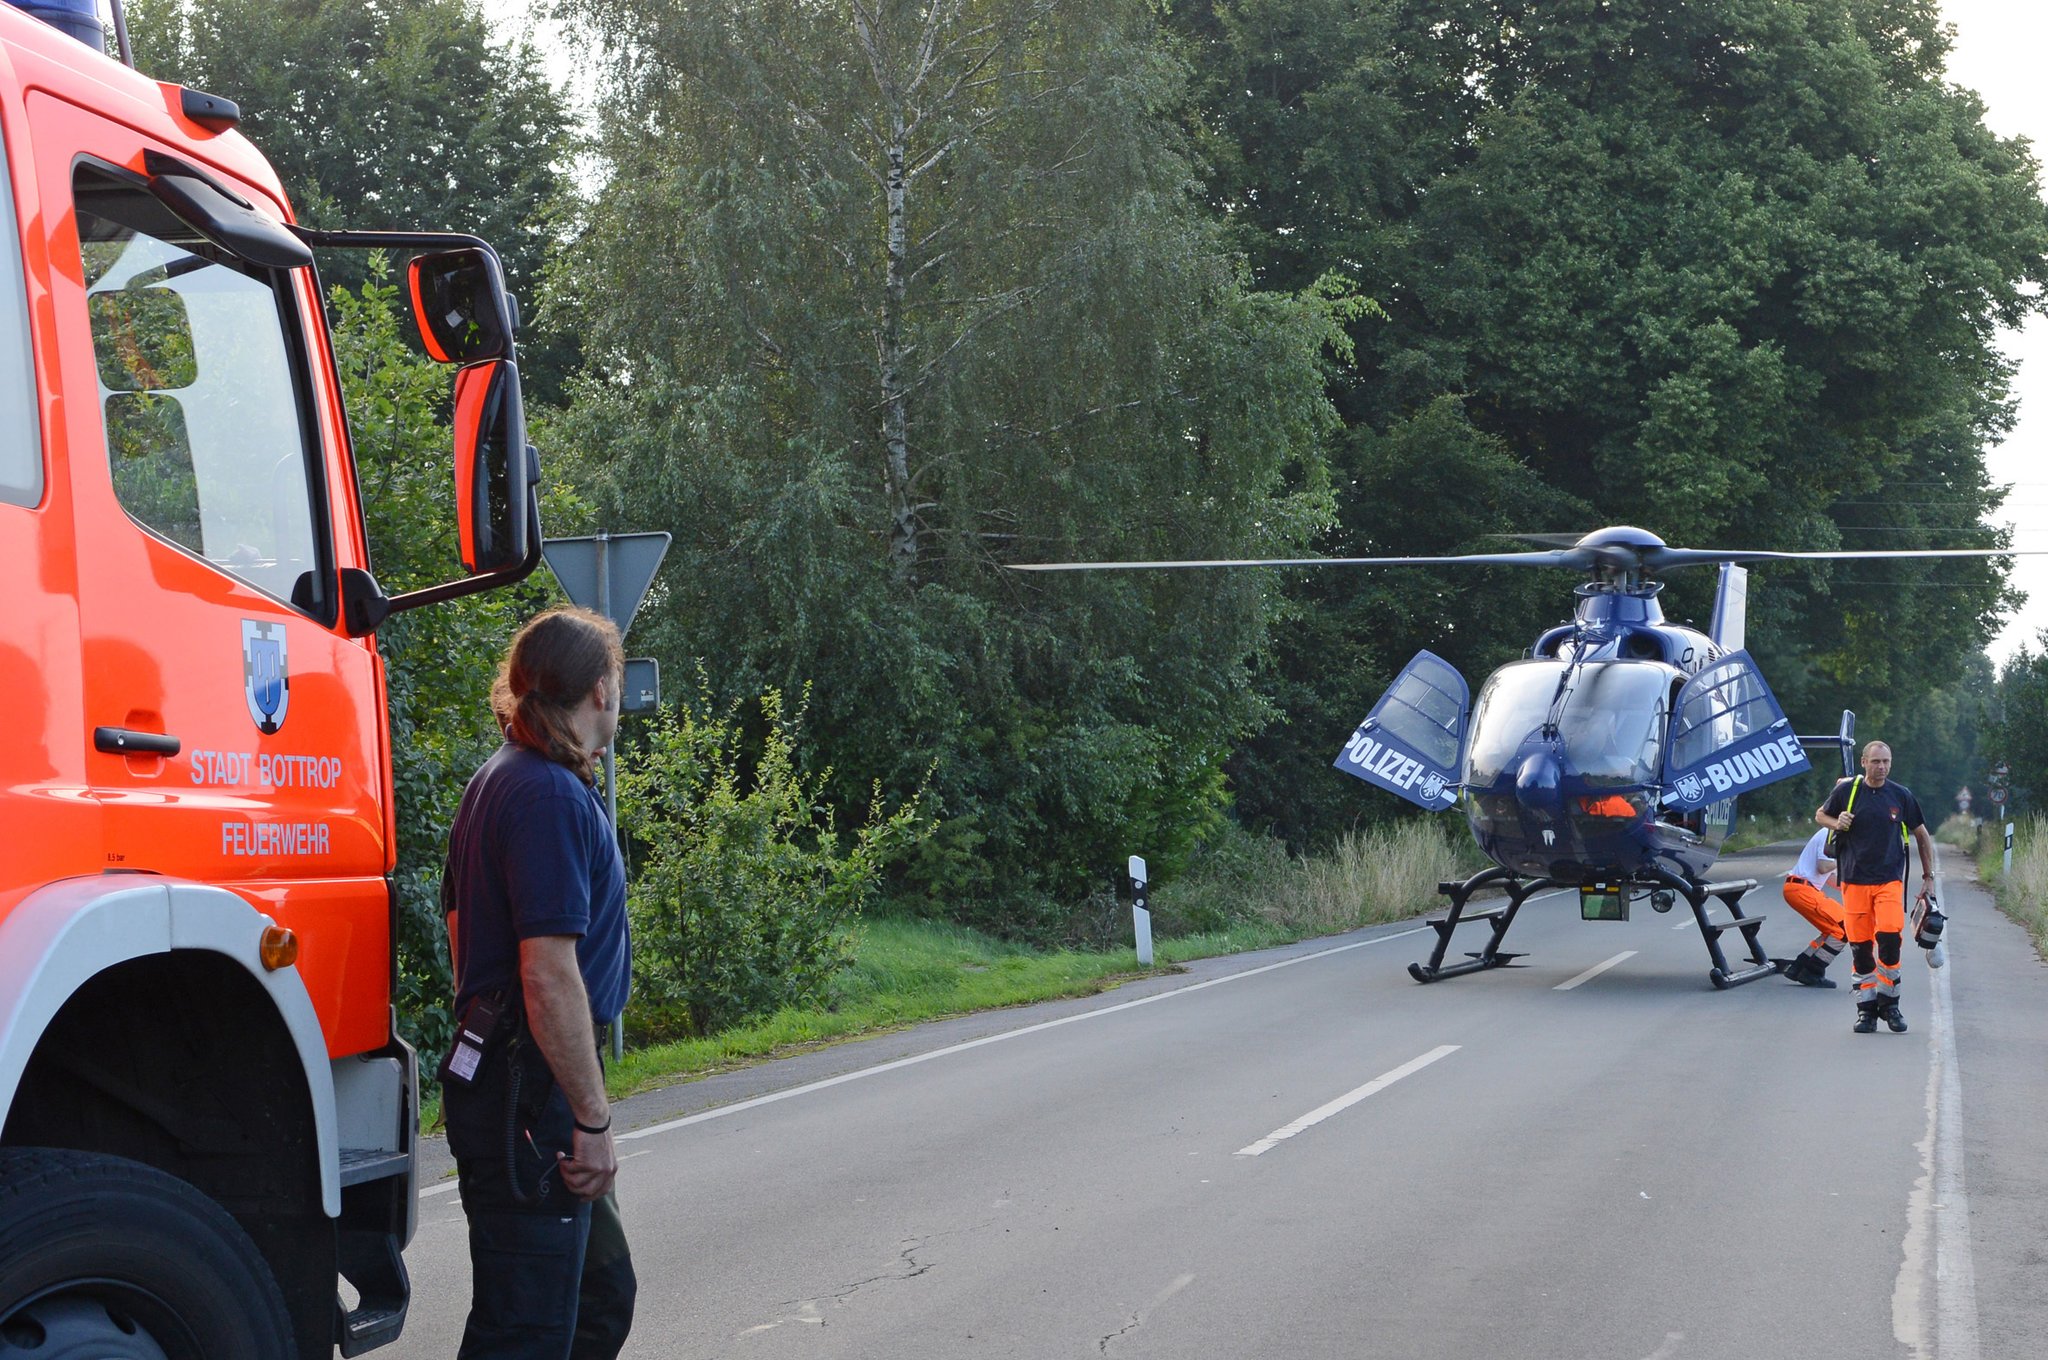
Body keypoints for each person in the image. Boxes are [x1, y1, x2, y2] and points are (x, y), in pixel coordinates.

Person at [443, 606, 636, 1359]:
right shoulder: (545, 795)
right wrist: (589, 1121)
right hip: (533, 1092)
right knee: (525, 1330)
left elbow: (460, 928)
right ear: (598, 688)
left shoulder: (508, 779)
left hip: (521, 1079)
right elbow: (547, 972)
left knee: (595, 1302)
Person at [1816, 740, 1935, 1034]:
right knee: (1860, 948)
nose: (1882, 767)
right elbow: (1820, 815)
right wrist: (1836, 821)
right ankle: (1866, 1010)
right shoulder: (1847, 791)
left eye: (1886, 762)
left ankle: (1890, 1004)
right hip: (1854, 881)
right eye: (1876, 762)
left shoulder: (1901, 795)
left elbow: (1922, 835)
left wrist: (1928, 877)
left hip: (1889, 880)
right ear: (1864, 762)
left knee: (1890, 939)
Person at [1779, 828, 1846, 987]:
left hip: (1802, 889)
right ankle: (1812, 972)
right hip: (1802, 890)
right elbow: (1823, 866)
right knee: (1845, 927)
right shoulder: (1831, 834)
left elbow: (1829, 876)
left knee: (1833, 929)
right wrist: (1846, 859)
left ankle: (1798, 967)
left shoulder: (1833, 835)